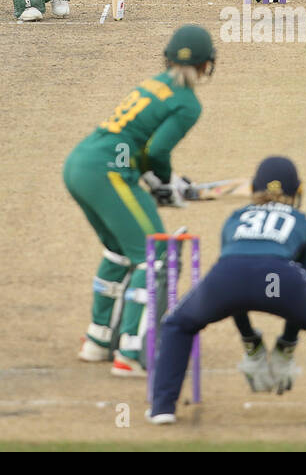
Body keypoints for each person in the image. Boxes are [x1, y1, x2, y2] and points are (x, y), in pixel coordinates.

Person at [147, 156, 306, 427]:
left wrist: (251, 342)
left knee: (177, 323)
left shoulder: (236, 217)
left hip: (228, 275)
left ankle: (162, 407)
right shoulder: (303, 223)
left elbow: (237, 292)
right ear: (297, 190)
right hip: (278, 276)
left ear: (254, 189)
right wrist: (286, 345)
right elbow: (304, 290)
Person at [63, 25, 215, 376]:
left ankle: (98, 340)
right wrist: (163, 181)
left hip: (80, 163)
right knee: (155, 254)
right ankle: (132, 350)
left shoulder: (153, 83)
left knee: (120, 250)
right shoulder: (188, 104)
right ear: (207, 65)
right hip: (108, 173)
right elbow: (156, 150)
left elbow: (138, 145)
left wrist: (156, 180)